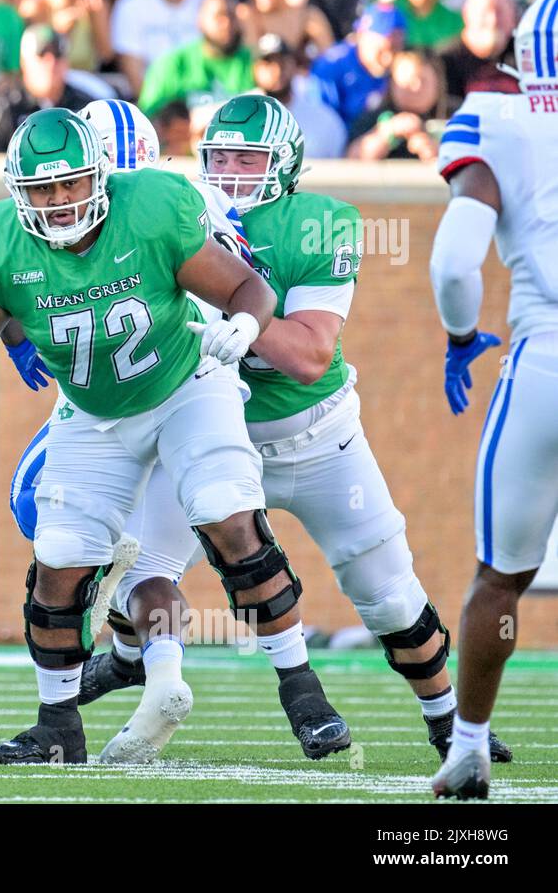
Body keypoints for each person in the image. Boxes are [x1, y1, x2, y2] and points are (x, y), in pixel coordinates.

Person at [0, 105, 349, 764]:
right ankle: (57, 726)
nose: (59, 200)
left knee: (229, 516)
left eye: (70, 183)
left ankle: (305, 694)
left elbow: (248, 288)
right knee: (59, 559)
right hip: (93, 409)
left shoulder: (153, 206)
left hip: (186, 385)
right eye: (42, 189)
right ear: (17, 194)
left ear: (100, 176)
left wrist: (246, 328)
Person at [69, 93, 513, 766]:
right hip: (210, 428)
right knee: (138, 569)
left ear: (285, 165)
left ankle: (446, 719)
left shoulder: (317, 223)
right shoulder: (180, 209)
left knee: (388, 597)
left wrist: (239, 321)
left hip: (317, 439)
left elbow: (308, 356)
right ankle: (138, 659)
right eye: (220, 158)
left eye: (247, 158)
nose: (231, 171)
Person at [1, 97, 254, 762]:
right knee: (154, 569)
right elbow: (250, 283)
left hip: (141, 390)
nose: (66, 196)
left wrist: (19, 333)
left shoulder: (128, 212)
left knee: (39, 505)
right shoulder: (192, 197)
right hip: (214, 395)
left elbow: (12, 285)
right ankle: (152, 667)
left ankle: (103, 622)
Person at [428, 0, 558, 799]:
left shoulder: (494, 120)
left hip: (544, 363)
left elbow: (453, 264)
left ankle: (468, 745)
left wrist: (459, 336)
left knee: (501, 580)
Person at [0, 24, 99, 153]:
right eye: (42, 54)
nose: (51, 63)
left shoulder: (84, 106)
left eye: (57, 54)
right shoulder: (4, 106)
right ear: (24, 61)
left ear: (67, 62)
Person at [111, 0, 210, 96]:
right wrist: (151, 104)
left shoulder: (210, 2)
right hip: (153, 99)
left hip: (204, 96)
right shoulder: (130, 5)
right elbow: (132, 67)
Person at [138, 0, 255, 117]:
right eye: (219, 16)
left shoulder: (253, 61)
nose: (226, 23)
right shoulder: (171, 65)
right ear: (200, 21)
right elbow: (148, 117)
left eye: (232, 16)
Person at [310, 2, 405, 129]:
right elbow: (318, 125)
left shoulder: (401, 69)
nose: (389, 59)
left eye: (395, 49)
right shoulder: (331, 67)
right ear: (361, 36)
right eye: (382, 50)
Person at [252, 32, 347, 158]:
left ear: (294, 66)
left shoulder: (325, 121)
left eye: (282, 62)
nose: (277, 71)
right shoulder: (236, 114)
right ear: (255, 69)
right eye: (268, 64)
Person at [346, 49, 444, 161]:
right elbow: (353, 158)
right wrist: (388, 133)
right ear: (392, 83)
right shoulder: (372, 118)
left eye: (423, 81)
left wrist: (437, 152)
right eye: (409, 80)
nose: (416, 87)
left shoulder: (451, 119)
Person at [441, 0, 519, 103]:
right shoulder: (444, 62)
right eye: (485, 12)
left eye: (499, 11)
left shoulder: (528, 56)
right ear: (466, 14)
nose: (493, 20)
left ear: (513, 17)